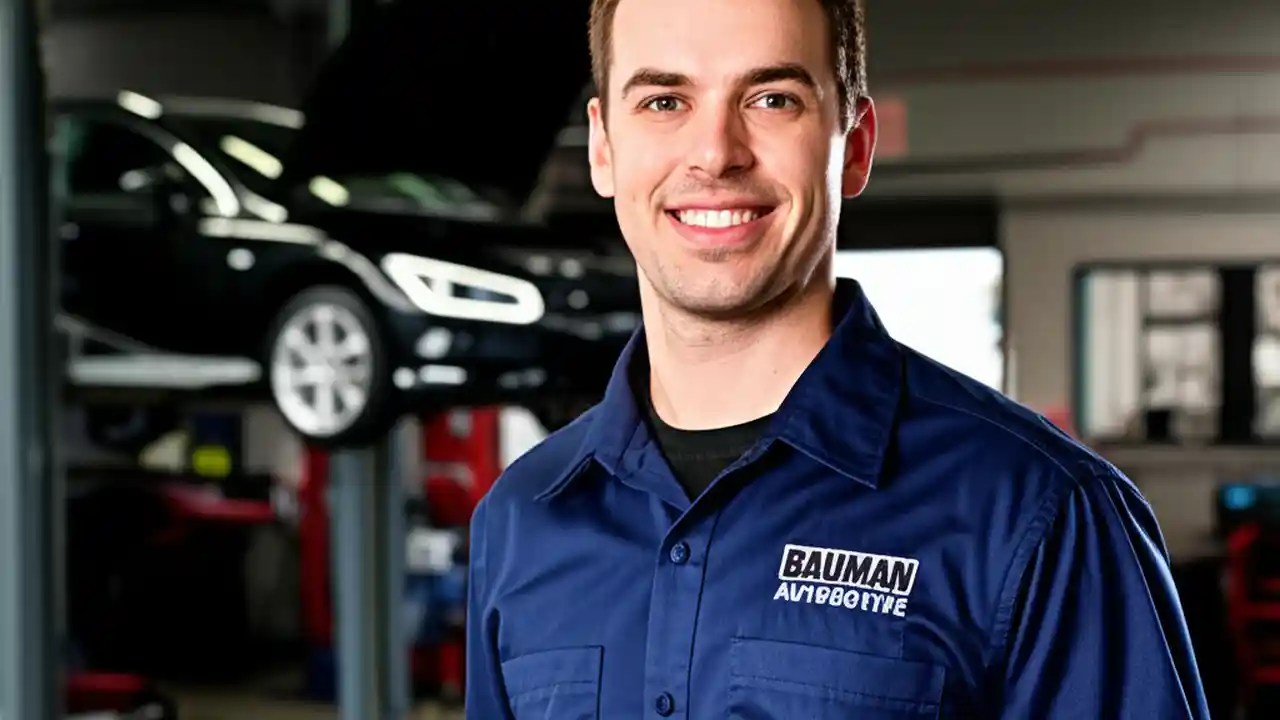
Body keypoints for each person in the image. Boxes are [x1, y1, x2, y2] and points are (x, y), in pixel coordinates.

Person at [465, 0, 1211, 716]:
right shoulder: (522, 520)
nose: (715, 153)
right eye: (665, 102)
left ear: (854, 146)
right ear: (603, 148)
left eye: (772, 99)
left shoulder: (1039, 512)